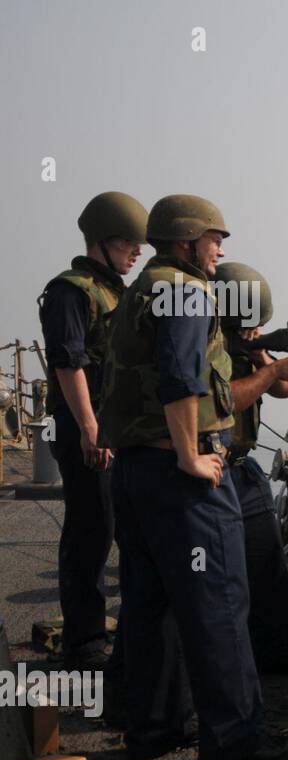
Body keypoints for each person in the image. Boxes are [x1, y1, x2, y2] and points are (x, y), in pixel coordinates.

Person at [97, 194, 288, 760]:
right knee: (219, 603)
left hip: (137, 473)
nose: (219, 249)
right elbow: (183, 379)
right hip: (177, 475)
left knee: (152, 603)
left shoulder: (147, 286)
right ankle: (235, 739)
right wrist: (190, 456)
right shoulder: (186, 291)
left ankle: (154, 730)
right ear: (186, 241)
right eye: (214, 239)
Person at [37, 191, 146, 673]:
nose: (136, 253)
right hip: (84, 426)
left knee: (120, 526)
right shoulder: (70, 291)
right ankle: (83, 645)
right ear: (102, 242)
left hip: (113, 428)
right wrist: (89, 429)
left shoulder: (116, 291)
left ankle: (113, 637)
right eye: (128, 244)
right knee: (91, 531)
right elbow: (68, 362)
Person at [212, 261, 288, 676]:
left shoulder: (244, 344)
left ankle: (273, 657)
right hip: (214, 468)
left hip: (244, 467)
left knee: (267, 566)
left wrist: (261, 353)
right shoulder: (207, 344)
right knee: (225, 577)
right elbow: (224, 400)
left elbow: (282, 388)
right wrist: (273, 366)